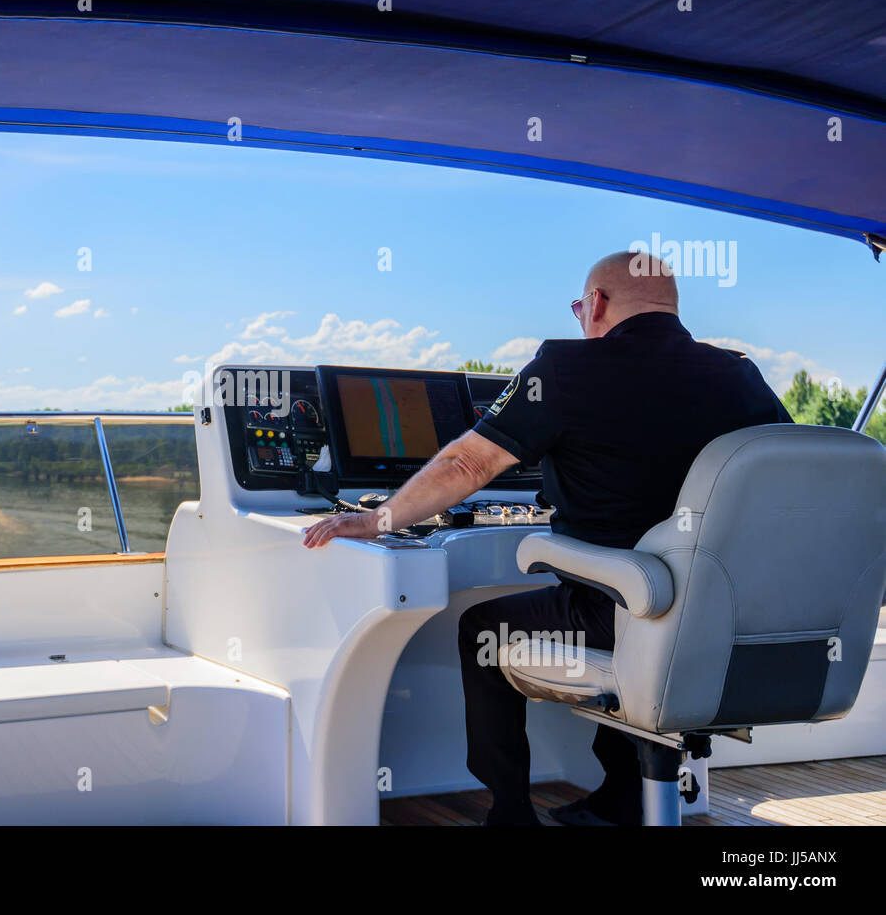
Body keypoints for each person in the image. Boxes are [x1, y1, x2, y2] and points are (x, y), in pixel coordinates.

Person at [302, 250, 792, 825]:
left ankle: (510, 811)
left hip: (626, 610)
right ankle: (620, 795)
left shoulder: (563, 369)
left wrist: (378, 517)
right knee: (622, 623)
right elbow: (785, 474)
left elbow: (465, 467)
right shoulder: (739, 374)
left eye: (580, 306)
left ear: (597, 304)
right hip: (724, 616)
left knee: (483, 629)